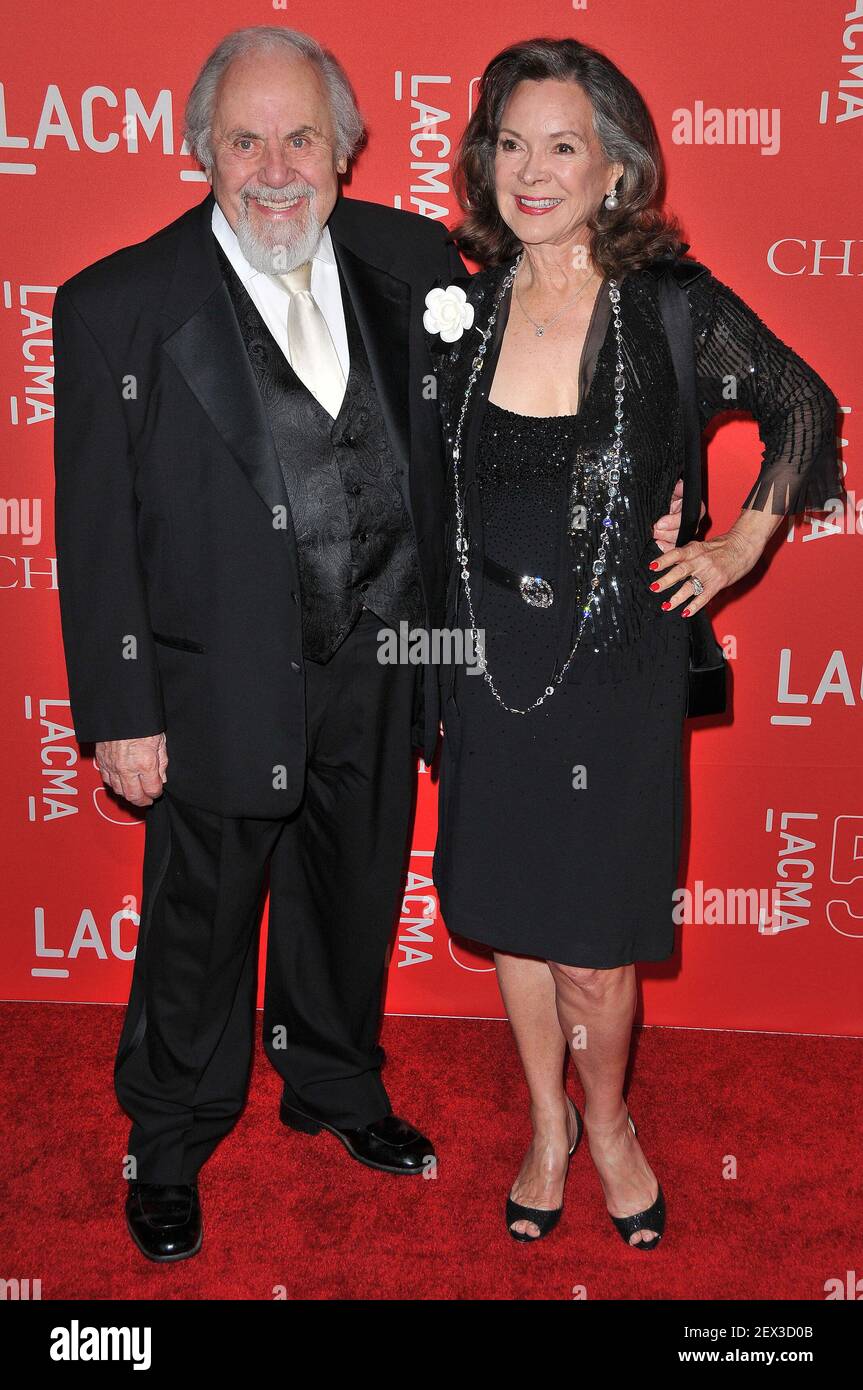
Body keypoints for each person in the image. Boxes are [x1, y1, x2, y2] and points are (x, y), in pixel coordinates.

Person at [52, 25, 462, 1262]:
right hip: (215, 677)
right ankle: (168, 1135)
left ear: (343, 150)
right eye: (244, 140)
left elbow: (470, 457)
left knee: (351, 896)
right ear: (202, 153)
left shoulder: (415, 259)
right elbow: (95, 527)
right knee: (201, 920)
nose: (274, 167)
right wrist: (122, 711)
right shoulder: (118, 303)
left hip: (385, 661)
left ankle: (334, 1082)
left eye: (300, 138)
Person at [428, 37, 843, 1247]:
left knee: (597, 951)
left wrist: (735, 548)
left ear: (615, 167)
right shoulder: (464, 302)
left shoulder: (670, 306)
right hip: (488, 660)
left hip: (613, 664)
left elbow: (802, 406)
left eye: (562, 144)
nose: (531, 170)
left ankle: (606, 1122)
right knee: (507, 914)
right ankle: (543, 1125)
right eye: (510, 142)